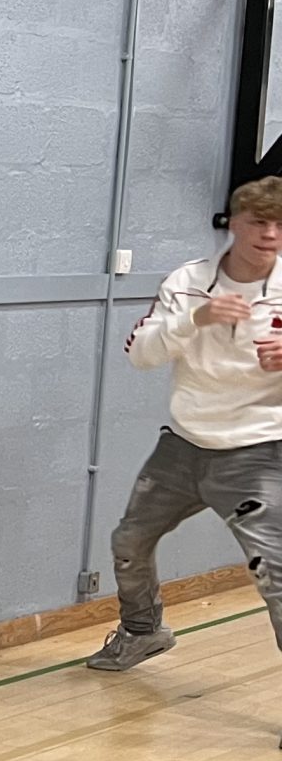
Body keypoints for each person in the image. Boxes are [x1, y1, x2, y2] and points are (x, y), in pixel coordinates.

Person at [89, 174, 282, 703]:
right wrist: (196, 319)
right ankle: (142, 631)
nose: (269, 234)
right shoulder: (189, 281)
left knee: (275, 577)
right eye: (259, 222)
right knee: (129, 541)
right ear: (234, 224)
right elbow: (140, 353)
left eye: (280, 225)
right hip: (182, 447)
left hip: (258, 454)